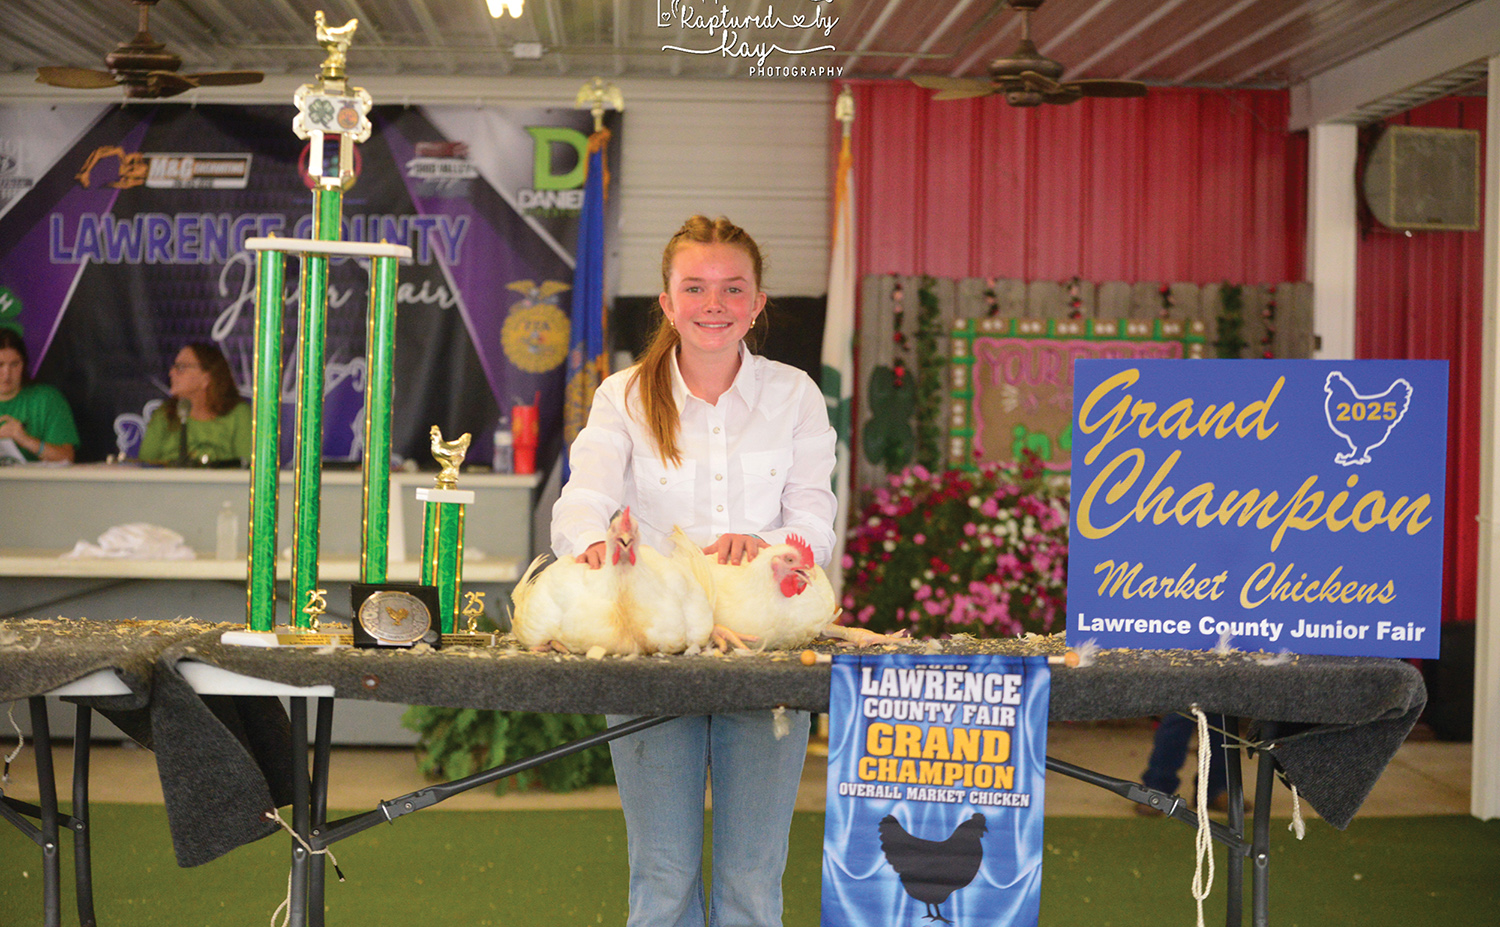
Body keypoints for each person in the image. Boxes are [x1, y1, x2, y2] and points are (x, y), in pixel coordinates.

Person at [551, 215, 836, 927]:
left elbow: (815, 518)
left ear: (758, 302)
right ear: (668, 301)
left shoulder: (795, 394)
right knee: (663, 870)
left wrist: (775, 550)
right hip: (652, 652)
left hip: (765, 660)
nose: (715, 303)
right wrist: (594, 545)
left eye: (733, 288)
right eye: (696, 287)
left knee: (751, 877)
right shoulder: (621, 395)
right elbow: (582, 498)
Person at [138, 342, 252, 466]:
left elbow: (246, 468)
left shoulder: (238, 414)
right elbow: (144, 465)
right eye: (173, 367)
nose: (171, 373)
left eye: (181, 367)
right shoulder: (164, 414)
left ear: (206, 378)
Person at [0, 327, 79, 463]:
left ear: (24, 364)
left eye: (14, 364)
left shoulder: (46, 399)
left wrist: (24, 439)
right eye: (0, 365)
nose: (7, 373)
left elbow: (66, 458)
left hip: (35, 483)